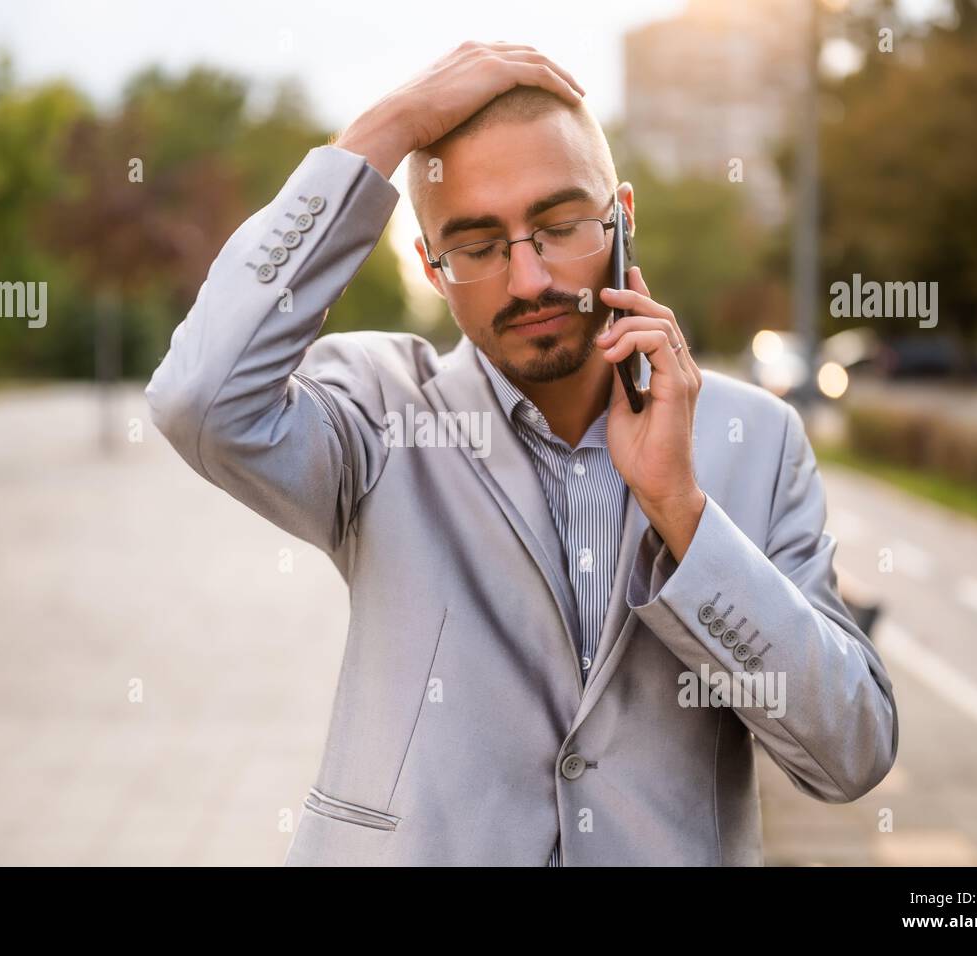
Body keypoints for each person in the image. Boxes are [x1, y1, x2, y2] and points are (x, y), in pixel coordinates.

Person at [146, 41, 898, 866]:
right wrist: (391, 123)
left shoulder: (755, 438)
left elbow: (850, 754)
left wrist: (684, 515)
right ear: (432, 269)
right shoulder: (377, 410)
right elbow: (199, 398)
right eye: (477, 246)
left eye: (559, 225)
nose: (530, 278)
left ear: (623, 216)